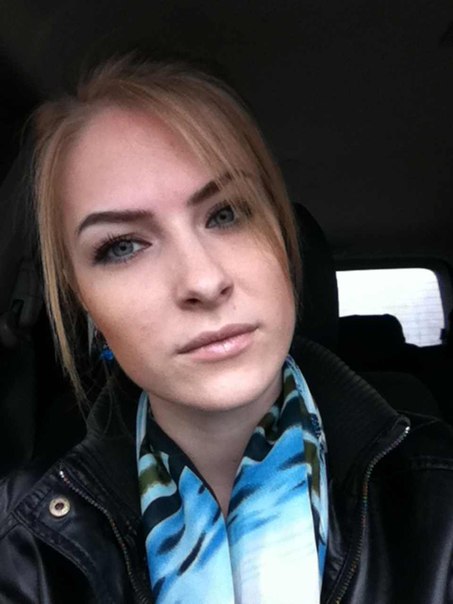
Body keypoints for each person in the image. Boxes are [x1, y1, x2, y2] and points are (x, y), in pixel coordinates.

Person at [0, 56, 452, 604]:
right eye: (122, 246)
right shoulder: (22, 543)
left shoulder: (438, 491)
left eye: (227, 213)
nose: (203, 280)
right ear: (83, 302)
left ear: (284, 241)